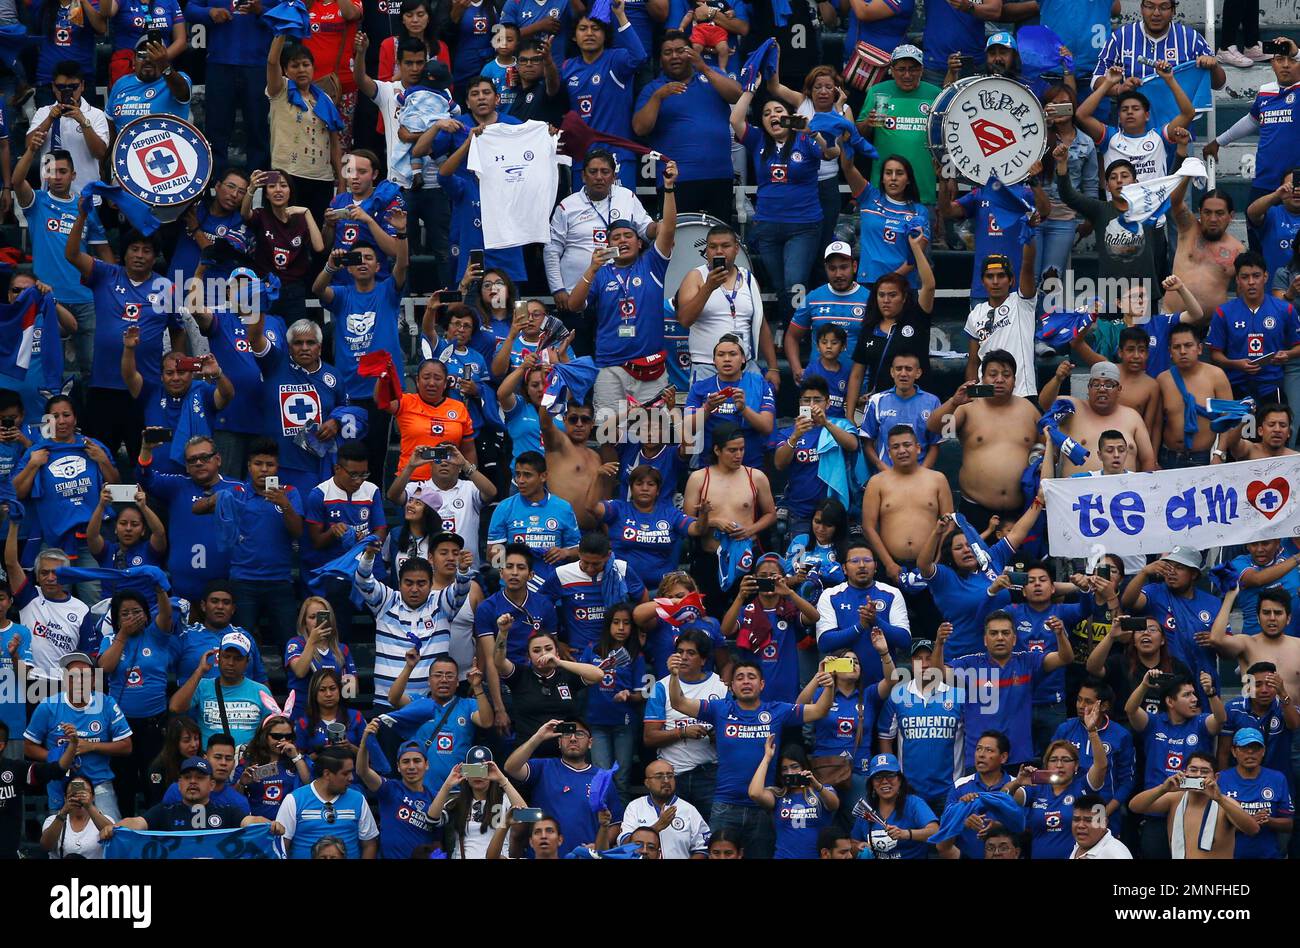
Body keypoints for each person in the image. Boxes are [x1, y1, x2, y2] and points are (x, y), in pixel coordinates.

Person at [666, 654, 834, 859]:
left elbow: (820, 709)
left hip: (763, 808)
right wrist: (674, 675)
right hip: (725, 805)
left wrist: (828, 685)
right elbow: (678, 702)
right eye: (740, 677)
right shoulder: (720, 709)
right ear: (731, 686)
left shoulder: (777, 711)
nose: (746, 681)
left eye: (751, 677)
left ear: (762, 684)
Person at [567, 162, 679, 422]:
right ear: (607, 245)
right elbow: (573, 305)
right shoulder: (601, 273)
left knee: (653, 432)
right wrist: (592, 269)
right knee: (609, 434)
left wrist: (670, 189)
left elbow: (669, 229)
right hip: (610, 367)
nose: (622, 240)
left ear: (639, 242)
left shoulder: (652, 264)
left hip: (649, 367)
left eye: (628, 235)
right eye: (615, 237)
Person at [730, 77, 839, 324]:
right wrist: (750, 90)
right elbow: (735, 120)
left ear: (790, 116)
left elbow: (833, 152)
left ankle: (797, 331)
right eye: (767, 113)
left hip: (803, 226)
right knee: (780, 286)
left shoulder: (805, 139)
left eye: (779, 110)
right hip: (768, 227)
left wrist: (813, 131)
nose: (773, 115)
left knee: (794, 282)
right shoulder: (758, 140)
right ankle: (789, 327)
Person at [13, 135, 111, 384]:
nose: (57, 176)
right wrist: (31, 151)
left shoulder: (85, 209)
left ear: (73, 175)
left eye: (63, 171)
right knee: (47, 372)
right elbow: (16, 182)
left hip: (86, 299)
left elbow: (103, 253)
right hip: (48, 299)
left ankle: (90, 423)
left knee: (93, 372)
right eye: (51, 171)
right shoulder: (37, 202)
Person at [937, 609, 1075, 770]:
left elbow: (1065, 658)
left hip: (1018, 757)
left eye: (1005, 633)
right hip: (979, 759)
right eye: (994, 633)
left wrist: (1059, 634)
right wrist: (939, 644)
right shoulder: (970, 665)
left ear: (1014, 639)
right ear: (985, 640)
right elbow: (938, 675)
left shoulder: (1028, 661)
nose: (1000, 638)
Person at [927, 351, 1042, 531]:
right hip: (976, 508)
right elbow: (936, 427)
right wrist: (953, 402)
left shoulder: (1028, 410)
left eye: (1006, 375)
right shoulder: (968, 407)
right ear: (983, 377)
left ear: (1015, 379)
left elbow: (1047, 446)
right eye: (993, 374)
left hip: (1020, 510)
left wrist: (1039, 455)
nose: (999, 380)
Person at [632, 32, 741, 220]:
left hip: (719, 176)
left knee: (719, 242)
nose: (674, 56)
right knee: (678, 242)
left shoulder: (711, 75)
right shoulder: (653, 89)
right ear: (660, 58)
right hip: (677, 180)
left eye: (680, 50)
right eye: (668, 52)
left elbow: (737, 95)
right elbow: (640, 129)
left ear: (691, 53)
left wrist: (704, 68)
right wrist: (658, 97)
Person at [25, 652, 132, 821]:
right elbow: (29, 747)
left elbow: (126, 746)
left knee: (112, 832)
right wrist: (58, 758)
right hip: (60, 784)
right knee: (58, 839)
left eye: (84, 676)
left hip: (98, 782)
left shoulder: (106, 704)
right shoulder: (48, 706)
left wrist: (92, 746)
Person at [97, 585, 173, 817]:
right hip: (122, 726)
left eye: (137, 611)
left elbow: (167, 614)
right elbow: (104, 667)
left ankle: (156, 834)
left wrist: (160, 590)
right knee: (124, 783)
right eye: (125, 613)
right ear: (116, 619)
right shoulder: (110, 639)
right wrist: (122, 635)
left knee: (155, 780)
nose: (131, 617)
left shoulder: (157, 634)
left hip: (154, 723)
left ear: (147, 614)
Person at [682, 425, 777, 611]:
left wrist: (750, 530)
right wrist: (713, 522)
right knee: (709, 611)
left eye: (742, 449)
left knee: (752, 612)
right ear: (717, 450)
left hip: (745, 556)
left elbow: (771, 514)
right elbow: (686, 521)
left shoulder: (756, 476)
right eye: (732, 450)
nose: (738, 455)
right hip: (711, 557)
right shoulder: (699, 478)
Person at [545, 150, 653, 313]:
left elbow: (646, 230)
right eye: (593, 171)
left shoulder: (627, 197)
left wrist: (663, 227)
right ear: (583, 176)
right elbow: (552, 250)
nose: (599, 177)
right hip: (575, 294)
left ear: (614, 176)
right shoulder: (567, 206)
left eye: (605, 172)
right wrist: (557, 289)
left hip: (621, 294)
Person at [503, 718, 624, 855]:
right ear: (559, 742)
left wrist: (598, 844)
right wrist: (538, 737)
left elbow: (615, 823)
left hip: (583, 856)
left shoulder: (602, 778)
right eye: (567, 734)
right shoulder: (544, 767)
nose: (573, 738)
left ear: (590, 743)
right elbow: (510, 767)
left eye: (579, 734)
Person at [676, 226, 778, 388]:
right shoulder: (696, 276)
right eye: (712, 247)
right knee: (707, 414)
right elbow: (684, 320)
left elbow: (761, 324)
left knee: (753, 413)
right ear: (706, 250)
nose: (719, 251)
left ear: (736, 248)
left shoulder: (748, 278)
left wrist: (773, 367)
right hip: (707, 366)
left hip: (745, 366)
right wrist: (708, 287)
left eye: (725, 246)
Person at [862, 424, 953, 592]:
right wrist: (889, 564)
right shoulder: (877, 482)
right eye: (895, 447)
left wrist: (937, 562)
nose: (902, 450)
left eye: (907, 445)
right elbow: (869, 527)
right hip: (891, 565)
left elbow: (949, 525)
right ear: (889, 453)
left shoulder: (938, 479)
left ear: (918, 448)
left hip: (932, 564)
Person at [1005, 717, 1110, 859]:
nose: (1059, 765)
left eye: (1066, 760)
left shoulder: (1084, 786)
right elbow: (1004, 797)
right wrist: (1017, 782)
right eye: (1053, 760)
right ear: (1046, 764)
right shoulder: (1036, 789)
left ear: (1076, 766)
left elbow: (1101, 765)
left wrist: (1092, 731)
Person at [266, 37, 345, 225]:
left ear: (313, 67)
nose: (301, 69)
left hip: (322, 178)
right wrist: (281, 33)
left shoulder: (324, 98)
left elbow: (334, 143)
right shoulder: (280, 90)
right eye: (294, 66)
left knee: (317, 234)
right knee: (285, 234)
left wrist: (341, 182)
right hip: (287, 177)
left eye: (305, 64)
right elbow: (271, 61)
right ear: (285, 70)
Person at [1121, 546, 1221, 692]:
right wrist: (1143, 573)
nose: (1171, 572)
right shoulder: (1155, 592)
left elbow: (1229, 652)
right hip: (1165, 679)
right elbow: (1128, 601)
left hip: (1203, 679)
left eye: (1179, 567)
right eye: (1169, 566)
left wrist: (1217, 640)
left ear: (1193, 574)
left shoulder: (1213, 603)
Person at [1207, 252, 1300, 404]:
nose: (1251, 282)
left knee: (1274, 427)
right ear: (1237, 280)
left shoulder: (1284, 310)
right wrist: (1235, 364)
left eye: (1256, 276)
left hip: (1271, 385)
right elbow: (1215, 355)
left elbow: (1298, 346)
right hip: (1235, 385)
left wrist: (1287, 354)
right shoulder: (1223, 312)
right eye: (1245, 277)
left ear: (1265, 277)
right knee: (1236, 428)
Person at [815, 540, 911, 686]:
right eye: (854, 561)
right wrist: (860, 626)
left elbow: (904, 640)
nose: (861, 565)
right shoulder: (830, 595)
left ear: (876, 567)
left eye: (867, 560)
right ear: (844, 568)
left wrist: (875, 621)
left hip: (882, 682)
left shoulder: (891, 593)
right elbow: (824, 642)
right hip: (842, 686)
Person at [1129, 752, 1259, 859]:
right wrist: (1163, 789)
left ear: (1216, 777)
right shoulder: (1175, 798)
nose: (1198, 775)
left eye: (1205, 771)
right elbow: (1135, 806)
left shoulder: (1225, 803)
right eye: (1193, 770)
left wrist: (1220, 800)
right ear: (1185, 772)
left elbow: (1252, 829)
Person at [856, 47, 940, 213]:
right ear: (891, 70)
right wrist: (868, 123)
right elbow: (858, 133)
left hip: (922, 190)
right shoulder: (878, 91)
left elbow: (945, 139)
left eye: (913, 69)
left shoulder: (935, 94)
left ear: (922, 70)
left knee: (921, 239)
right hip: (883, 191)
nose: (907, 75)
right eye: (901, 69)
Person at [1038, 361, 1157, 476]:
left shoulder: (1132, 417)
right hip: (1077, 493)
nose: (1102, 389)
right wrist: (1058, 379)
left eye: (1109, 385)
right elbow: (1045, 404)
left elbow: (1148, 460)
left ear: (1119, 389)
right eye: (1096, 384)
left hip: (1123, 493)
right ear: (1088, 388)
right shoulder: (1071, 409)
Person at [301, 444, 388, 598]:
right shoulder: (320, 494)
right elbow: (317, 542)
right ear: (337, 469)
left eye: (363, 474)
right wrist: (332, 532)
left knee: (384, 596)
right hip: (336, 565)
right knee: (337, 593)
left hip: (367, 561)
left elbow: (380, 529)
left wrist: (369, 541)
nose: (358, 481)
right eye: (353, 474)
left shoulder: (372, 490)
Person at [846, 267, 936, 414]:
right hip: (882, 406)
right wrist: (849, 415)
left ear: (904, 297)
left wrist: (916, 248)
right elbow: (857, 374)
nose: (886, 301)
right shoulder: (869, 329)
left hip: (917, 405)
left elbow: (929, 285)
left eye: (892, 295)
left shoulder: (917, 320)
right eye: (881, 295)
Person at [486, 451, 582, 583]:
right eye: (518, 474)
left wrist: (565, 553)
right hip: (514, 586)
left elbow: (578, 551)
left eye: (527, 475)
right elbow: (491, 556)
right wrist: (517, 555)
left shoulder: (563, 508)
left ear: (543, 476)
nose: (520, 480)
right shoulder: (504, 507)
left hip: (552, 587)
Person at [168, 632, 274, 751]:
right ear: (219, 657)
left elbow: (272, 730)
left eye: (238, 658)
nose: (231, 663)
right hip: (210, 762)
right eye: (226, 656)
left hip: (248, 762)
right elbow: (175, 707)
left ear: (247, 662)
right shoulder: (203, 685)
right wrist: (199, 671)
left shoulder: (261, 691)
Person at [1052, 678, 1136, 827]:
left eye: (1088, 702)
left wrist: (1105, 812)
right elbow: (1050, 769)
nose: (1081, 706)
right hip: (1067, 808)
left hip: (1104, 810)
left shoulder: (1121, 736)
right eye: (1079, 700)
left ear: (1104, 706)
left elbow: (1126, 781)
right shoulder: (1065, 729)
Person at [4, 540, 89, 685]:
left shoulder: (82, 609)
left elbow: (87, 657)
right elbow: (11, 563)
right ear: (37, 576)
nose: (50, 578)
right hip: (30, 680)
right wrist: (14, 524)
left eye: (56, 573)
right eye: (44, 572)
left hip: (64, 685)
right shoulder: (29, 596)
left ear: (67, 576)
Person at [685, 334, 776, 468]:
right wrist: (707, 409)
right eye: (721, 355)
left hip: (750, 464)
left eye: (733, 354)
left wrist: (744, 409)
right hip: (712, 464)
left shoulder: (759, 383)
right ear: (714, 360)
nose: (727, 359)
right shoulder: (700, 387)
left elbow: (767, 427)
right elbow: (686, 429)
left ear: (743, 359)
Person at [1208, 587, 1300, 719]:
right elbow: (1216, 639)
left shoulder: (1298, 646)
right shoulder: (1246, 644)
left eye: (1278, 613)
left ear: (1288, 618)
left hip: (1293, 725)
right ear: (1258, 617)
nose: (1272, 618)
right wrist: (1230, 596)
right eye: (1266, 613)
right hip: (1253, 724)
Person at [1154, 322, 1236, 468]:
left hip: (1204, 458)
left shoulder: (1216, 376)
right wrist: (1153, 459)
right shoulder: (1163, 380)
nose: (1183, 351)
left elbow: (1228, 418)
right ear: (1170, 352)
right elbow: (1157, 425)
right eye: (1177, 347)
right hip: (1168, 457)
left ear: (1199, 348)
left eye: (1188, 345)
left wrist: (1219, 454)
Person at [274, 748, 379, 859]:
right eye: (345, 773)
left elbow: (369, 844)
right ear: (327, 774)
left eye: (351, 772)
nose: (351, 778)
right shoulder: (294, 800)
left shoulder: (358, 799)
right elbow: (281, 845)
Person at [747, 737, 838, 859]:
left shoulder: (821, 791)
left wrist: (816, 785)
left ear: (804, 767)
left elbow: (834, 805)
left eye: (795, 766)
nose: (790, 772)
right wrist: (767, 758)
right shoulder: (778, 795)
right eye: (785, 769)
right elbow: (754, 793)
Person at [354, 728, 438, 859]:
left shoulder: (435, 797)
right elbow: (362, 771)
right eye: (405, 761)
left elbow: (437, 841)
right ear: (398, 767)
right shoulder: (389, 788)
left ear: (426, 765)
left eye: (417, 761)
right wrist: (364, 741)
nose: (411, 766)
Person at [1215, 728, 1294, 859]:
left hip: (1269, 855)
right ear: (1234, 751)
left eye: (1256, 748)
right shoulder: (1221, 779)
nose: (1250, 752)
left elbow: (1290, 824)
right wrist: (1247, 822)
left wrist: (1268, 821)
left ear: (1263, 751)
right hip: (1230, 854)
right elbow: (1211, 824)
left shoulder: (1277, 779)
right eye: (1244, 748)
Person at [934, 730, 1012, 860]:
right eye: (978, 749)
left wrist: (999, 826)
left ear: (1003, 757)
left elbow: (1028, 830)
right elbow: (943, 835)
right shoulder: (960, 786)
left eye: (989, 750)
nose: (981, 755)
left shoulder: (1016, 786)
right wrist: (963, 820)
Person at [859, 353, 940, 472]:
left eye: (908, 369)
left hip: (921, 479)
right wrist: (884, 469)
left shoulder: (933, 402)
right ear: (892, 372)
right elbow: (867, 443)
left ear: (918, 373)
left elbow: (936, 444)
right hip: (887, 475)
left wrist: (922, 474)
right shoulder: (876, 401)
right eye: (898, 369)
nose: (903, 374)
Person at [850, 752, 939, 859]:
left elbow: (935, 831)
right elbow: (853, 842)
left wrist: (905, 834)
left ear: (900, 780)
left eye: (890, 776)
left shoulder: (914, 803)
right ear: (872, 784)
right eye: (878, 777)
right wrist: (858, 847)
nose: (884, 781)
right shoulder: (866, 809)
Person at [618, 758, 710, 859]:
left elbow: (702, 849)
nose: (666, 780)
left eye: (670, 776)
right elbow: (624, 844)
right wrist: (658, 826)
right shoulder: (635, 807)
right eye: (659, 776)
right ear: (647, 783)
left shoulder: (689, 810)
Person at [284, 599, 357, 713]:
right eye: (312, 617)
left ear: (330, 620)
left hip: (333, 713)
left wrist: (338, 683)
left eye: (322, 617)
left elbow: (351, 692)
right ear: (304, 622)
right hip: (302, 713)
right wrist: (312, 641)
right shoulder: (295, 644)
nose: (317, 622)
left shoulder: (342, 649)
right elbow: (300, 671)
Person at [237, 716, 312, 820]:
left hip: (293, 822)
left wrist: (296, 757)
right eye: (276, 736)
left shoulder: (299, 759)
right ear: (264, 736)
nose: (283, 740)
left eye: (288, 736)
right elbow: (234, 798)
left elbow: (310, 784)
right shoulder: (249, 760)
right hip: (259, 824)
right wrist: (242, 783)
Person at [106, 36, 192, 124]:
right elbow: (110, 126)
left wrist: (164, 66)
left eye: (153, 54)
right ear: (134, 60)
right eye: (142, 54)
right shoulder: (121, 83)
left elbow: (182, 91)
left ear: (164, 58)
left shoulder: (176, 78)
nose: (147, 59)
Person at [40, 775, 112, 859]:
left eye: (84, 793)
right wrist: (63, 813)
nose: (79, 797)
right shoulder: (52, 820)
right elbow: (46, 847)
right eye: (73, 793)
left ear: (93, 797)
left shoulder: (106, 819)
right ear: (65, 797)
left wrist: (89, 806)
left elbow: (114, 837)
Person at [1068, 792, 1133, 858]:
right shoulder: (1078, 845)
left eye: (1088, 820)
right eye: (1076, 819)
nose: (1080, 825)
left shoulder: (1116, 854)